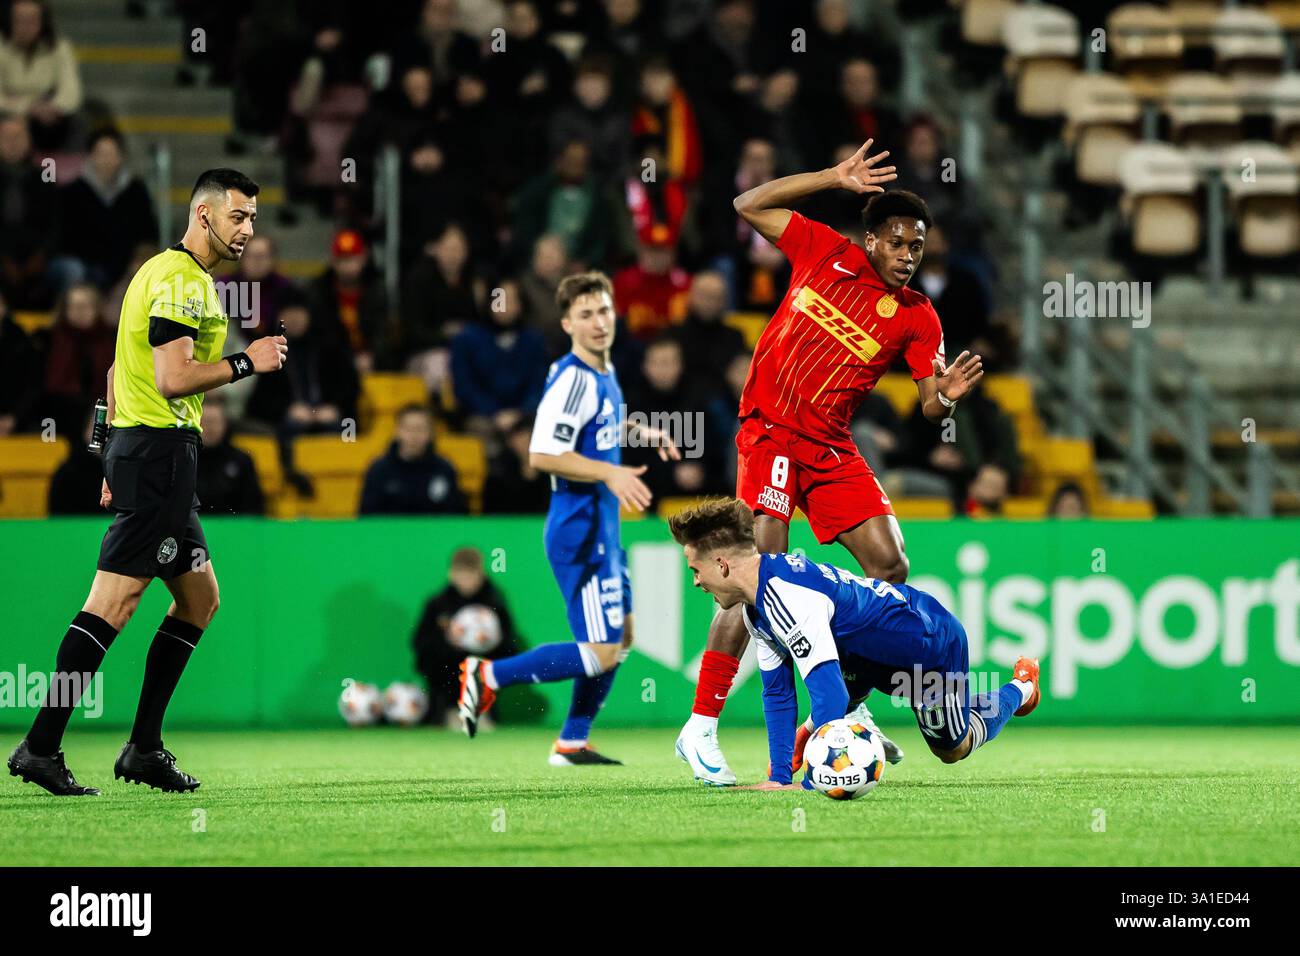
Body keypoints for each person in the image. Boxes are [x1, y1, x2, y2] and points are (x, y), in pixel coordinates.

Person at [675, 141, 985, 786]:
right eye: (897, 243)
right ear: (870, 239)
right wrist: (831, 176)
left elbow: (929, 405)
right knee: (759, 573)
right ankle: (701, 726)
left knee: (891, 565)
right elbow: (747, 204)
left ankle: (848, 714)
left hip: (832, 446)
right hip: (772, 435)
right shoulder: (825, 251)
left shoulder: (918, 316)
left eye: (917, 248)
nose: (907, 256)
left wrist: (944, 401)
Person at [7, 167, 286, 796]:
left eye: (253, 221)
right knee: (114, 603)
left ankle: (142, 748)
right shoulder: (184, 281)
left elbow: (114, 370)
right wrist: (249, 360)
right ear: (204, 214)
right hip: (159, 454)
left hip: (150, 455)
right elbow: (172, 379)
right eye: (238, 217)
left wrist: (106, 451)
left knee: (199, 599)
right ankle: (41, 746)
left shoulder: (159, 273)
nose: (246, 230)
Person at [456, 271, 679, 764]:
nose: (598, 322)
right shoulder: (575, 378)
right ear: (567, 323)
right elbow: (542, 452)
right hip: (580, 530)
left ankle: (572, 741)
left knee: (621, 637)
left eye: (603, 311)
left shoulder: (602, 371)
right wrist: (611, 473)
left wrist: (640, 431)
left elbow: (598, 423)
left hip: (600, 527)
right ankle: (487, 675)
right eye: (586, 315)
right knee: (601, 649)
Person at [668, 497, 1040, 788]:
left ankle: (1020, 688)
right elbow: (778, 694)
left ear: (722, 564)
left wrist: (815, 780)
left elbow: (830, 696)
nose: (696, 583)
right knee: (836, 689)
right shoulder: (756, 609)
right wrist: (779, 778)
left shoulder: (786, 595)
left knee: (952, 748)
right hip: (857, 658)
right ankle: (814, 738)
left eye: (695, 570)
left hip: (926, 648)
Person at [412, 546, 525, 727]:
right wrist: (449, 643)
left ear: (481, 574)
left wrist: (489, 643)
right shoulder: (437, 604)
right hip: (447, 675)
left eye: (471, 575)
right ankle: (450, 710)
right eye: (461, 575)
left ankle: (482, 709)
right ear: (451, 574)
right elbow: (420, 643)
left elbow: (510, 645)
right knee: (434, 658)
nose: (466, 581)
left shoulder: (495, 602)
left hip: (483, 671)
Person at [52, 128, 158, 291]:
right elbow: (66, 237)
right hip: (86, 263)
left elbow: (148, 232)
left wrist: (137, 257)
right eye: (101, 153)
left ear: (122, 157)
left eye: (112, 153)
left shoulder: (136, 190)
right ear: (91, 156)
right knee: (74, 269)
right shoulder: (73, 191)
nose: (107, 160)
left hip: (126, 263)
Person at [0, 0, 82, 150]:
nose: (25, 27)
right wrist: (27, 107)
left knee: (73, 121)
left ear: (43, 22)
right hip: (6, 114)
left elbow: (71, 92)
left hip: (45, 116)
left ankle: (49, 171)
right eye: (20, 20)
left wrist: (53, 107)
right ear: (9, 21)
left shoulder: (60, 48)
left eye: (32, 20)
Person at [358, 403, 466, 516]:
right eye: (408, 429)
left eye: (420, 429)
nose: (414, 436)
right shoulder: (379, 470)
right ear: (397, 431)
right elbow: (367, 517)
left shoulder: (444, 469)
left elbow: (455, 516)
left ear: (430, 433)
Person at [195, 398, 264, 516]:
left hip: (235, 528)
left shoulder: (241, 460)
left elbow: (253, 504)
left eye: (215, 422)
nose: (210, 428)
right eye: (204, 422)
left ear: (225, 424)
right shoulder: (184, 459)